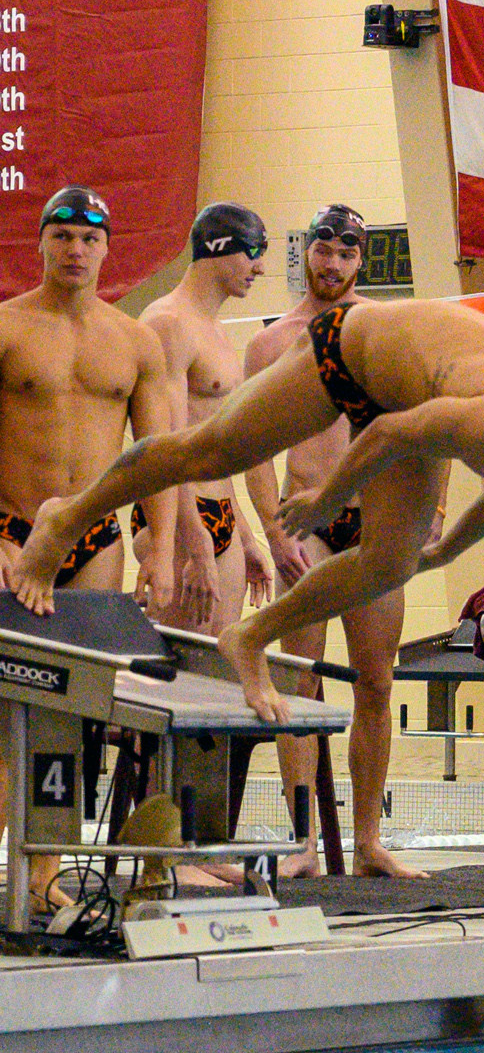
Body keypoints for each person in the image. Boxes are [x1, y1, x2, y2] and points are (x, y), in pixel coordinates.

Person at [11, 298, 484, 737]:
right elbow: (394, 435)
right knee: (206, 449)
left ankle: (250, 636)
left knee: (392, 563)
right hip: (350, 355)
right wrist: (330, 497)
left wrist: (451, 549)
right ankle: (67, 519)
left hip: (411, 399)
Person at [0, 186, 181, 908]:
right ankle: (30, 867)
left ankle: (45, 875)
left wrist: (161, 547)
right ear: (40, 242)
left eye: (89, 238)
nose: (76, 250)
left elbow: (160, 455)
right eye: (63, 236)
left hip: (95, 541)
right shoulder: (8, 328)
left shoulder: (135, 341)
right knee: (10, 705)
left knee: (72, 711)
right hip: (13, 533)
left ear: (109, 248)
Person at [240, 203, 421, 877]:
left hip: (373, 523)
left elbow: (426, 418)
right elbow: (251, 447)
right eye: (324, 249)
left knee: (375, 680)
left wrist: (427, 513)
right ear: (307, 252)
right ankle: (301, 842)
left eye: (347, 254)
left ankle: (369, 841)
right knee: (300, 681)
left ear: (360, 261)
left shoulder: (384, 331)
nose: (333, 264)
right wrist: (270, 526)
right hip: (305, 527)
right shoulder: (270, 343)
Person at [133, 201, 275, 634]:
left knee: (218, 672)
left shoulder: (213, 330)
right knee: (182, 675)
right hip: (179, 519)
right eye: (253, 252)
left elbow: (214, 448)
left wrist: (246, 538)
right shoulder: (168, 324)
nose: (262, 268)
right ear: (218, 248)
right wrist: (197, 546)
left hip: (219, 515)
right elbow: (168, 450)